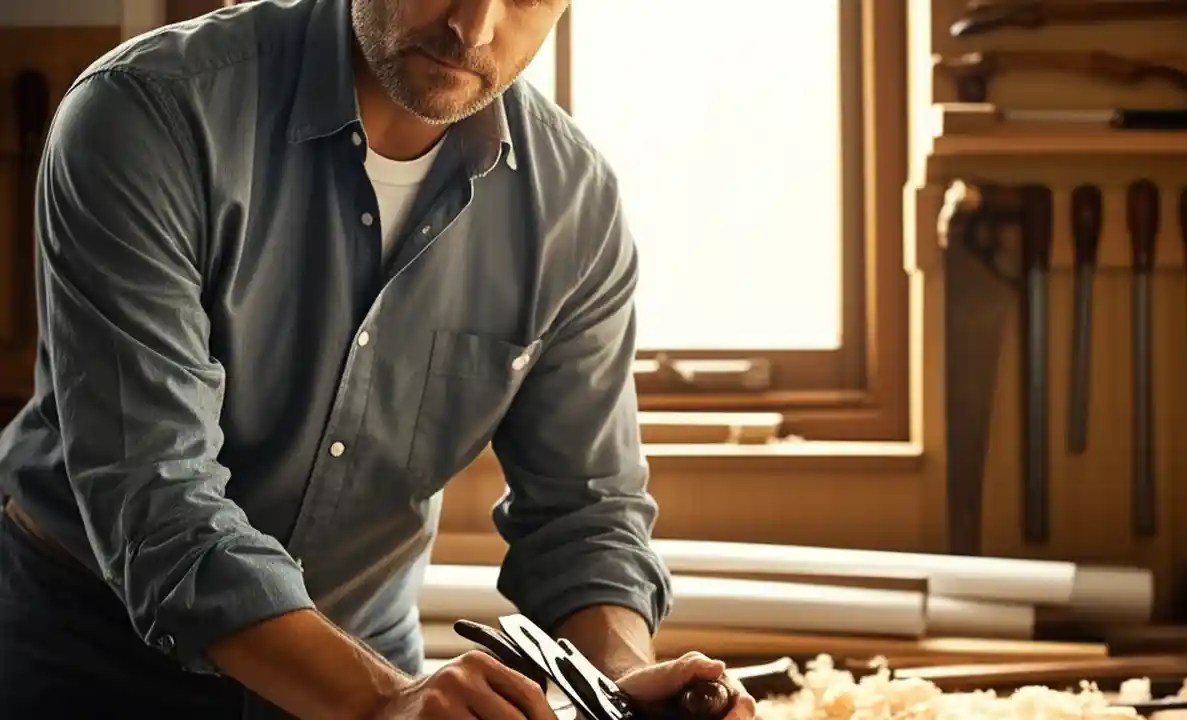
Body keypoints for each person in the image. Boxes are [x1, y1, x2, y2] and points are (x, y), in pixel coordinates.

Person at [0, 0, 757, 717]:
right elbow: (159, 505)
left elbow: (585, 517)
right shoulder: (147, 113)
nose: (472, 26)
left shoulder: (573, 207)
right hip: (88, 657)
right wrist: (382, 702)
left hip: (368, 661)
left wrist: (618, 679)